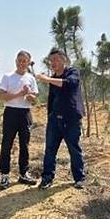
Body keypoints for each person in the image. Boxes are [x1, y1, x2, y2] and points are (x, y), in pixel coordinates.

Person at [35, 48, 86, 189]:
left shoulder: (73, 72)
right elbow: (51, 99)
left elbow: (69, 84)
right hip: (54, 121)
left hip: (71, 120)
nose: (53, 63)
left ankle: (79, 178)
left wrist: (47, 79)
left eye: (56, 59)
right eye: (51, 60)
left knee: (74, 149)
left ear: (64, 59)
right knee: (50, 150)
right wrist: (50, 115)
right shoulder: (53, 78)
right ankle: (47, 178)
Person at [0, 50, 38, 190]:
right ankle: (4, 175)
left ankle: (23, 173)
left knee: (24, 145)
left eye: (24, 61)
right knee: (7, 143)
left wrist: (29, 95)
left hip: (25, 113)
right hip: (10, 113)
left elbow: (34, 100)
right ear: (16, 61)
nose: (22, 63)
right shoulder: (8, 77)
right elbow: (2, 96)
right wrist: (20, 93)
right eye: (20, 60)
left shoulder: (31, 78)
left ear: (28, 62)